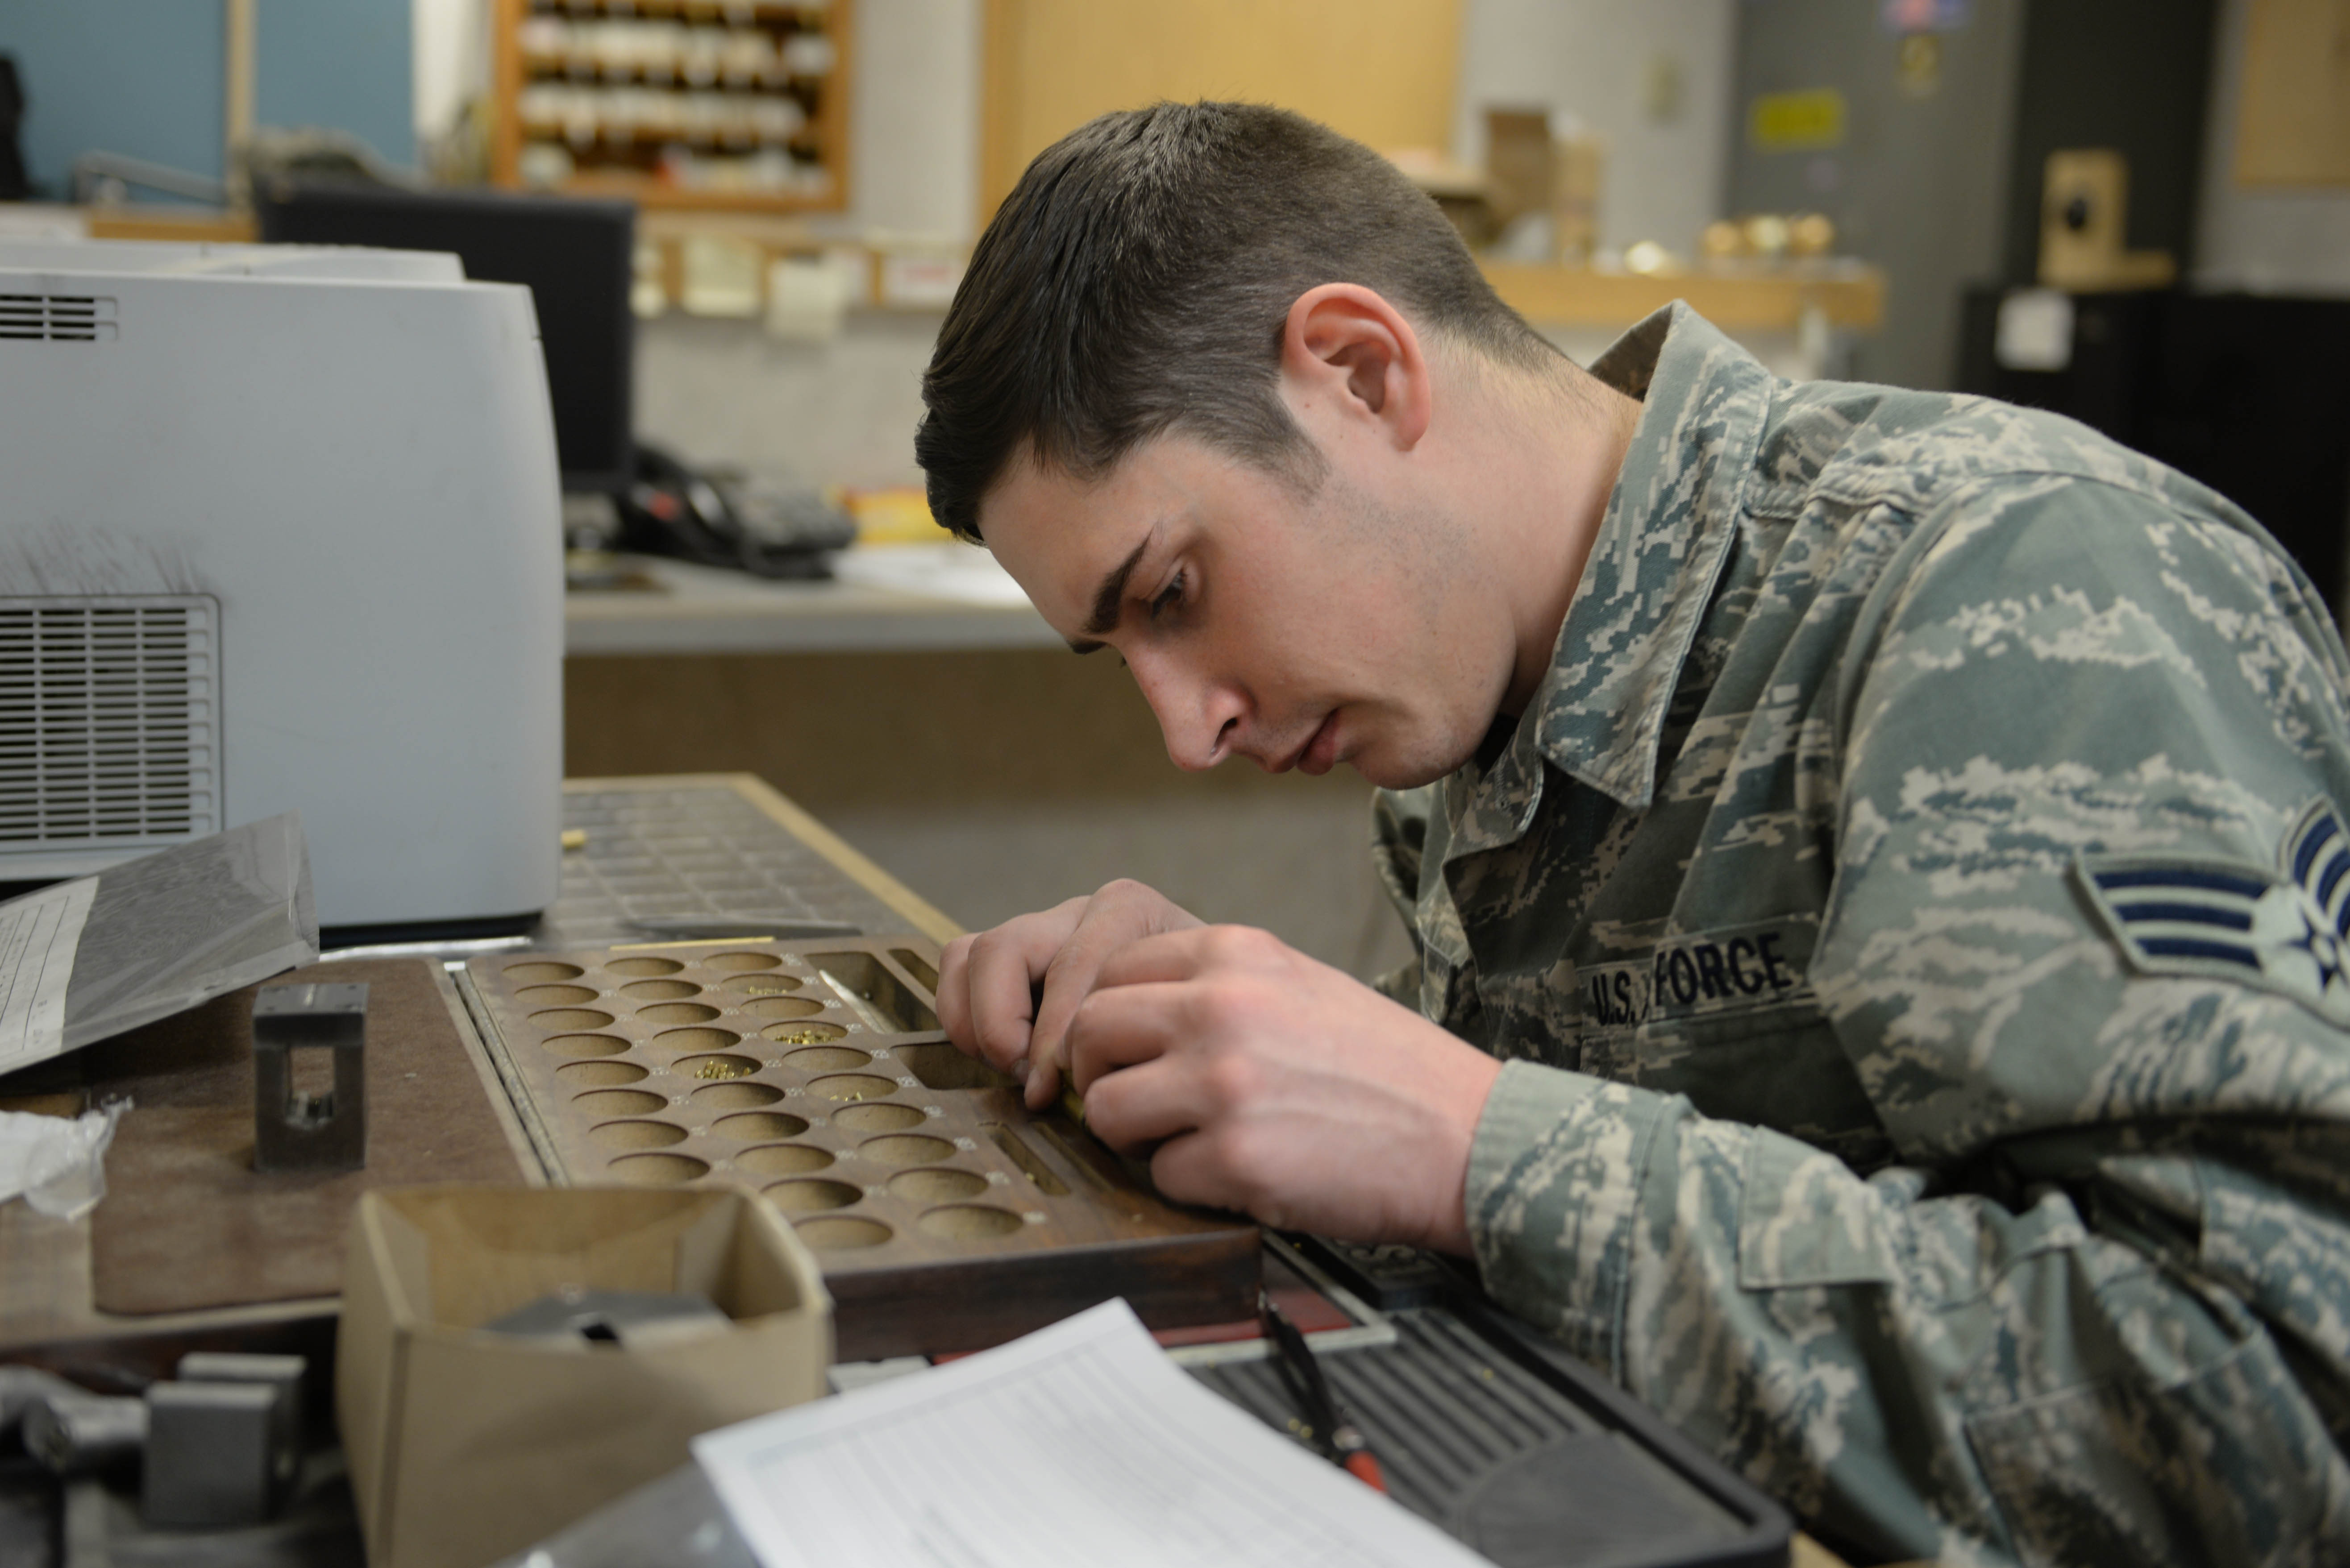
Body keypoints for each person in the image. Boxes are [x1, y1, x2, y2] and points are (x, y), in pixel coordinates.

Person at [913, 101, 2350, 1566]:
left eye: (1171, 593)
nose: (1184, 731)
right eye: (1123, 650)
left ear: (1358, 371)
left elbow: (2279, 1405)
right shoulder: (1462, 690)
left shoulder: (2013, 596)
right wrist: (1210, 1045)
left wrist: (1477, 1149)